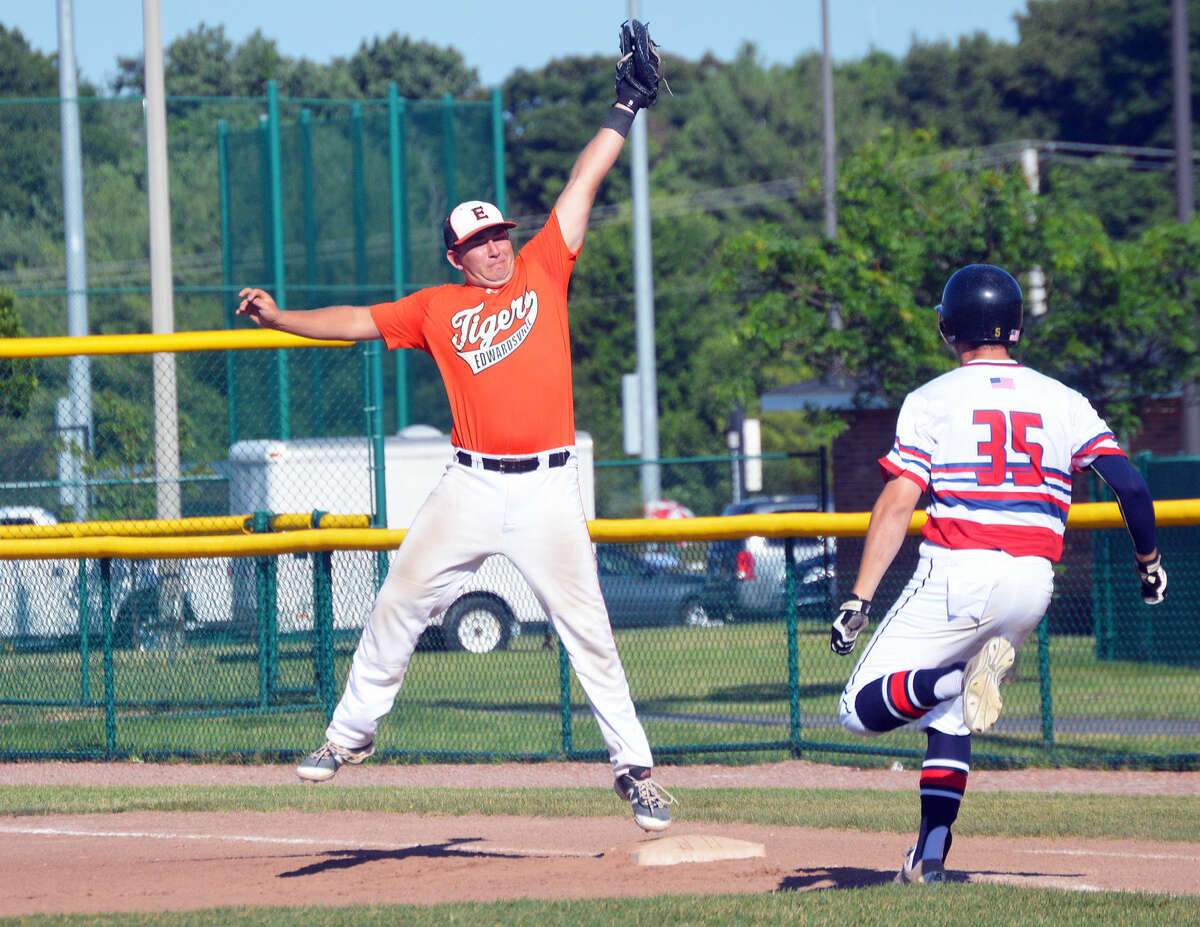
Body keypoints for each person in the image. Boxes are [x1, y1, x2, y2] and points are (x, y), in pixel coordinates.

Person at [235, 21, 675, 832]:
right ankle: (348, 736)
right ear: (456, 257)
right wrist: (281, 317)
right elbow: (353, 321)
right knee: (399, 597)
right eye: (480, 240)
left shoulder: (546, 265)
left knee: (590, 633)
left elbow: (582, 181)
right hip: (470, 483)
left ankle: (636, 771)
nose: (498, 245)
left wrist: (623, 107)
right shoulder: (434, 308)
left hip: (546, 487)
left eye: (500, 231)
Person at [829, 264, 1167, 884]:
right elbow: (1131, 484)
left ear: (949, 325)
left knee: (858, 710)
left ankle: (952, 680)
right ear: (1014, 328)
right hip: (1033, 582)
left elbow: (898, 502)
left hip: (960, 570)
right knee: (951, 724)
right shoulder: (1063, 400)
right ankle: (928, 860)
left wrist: (858, 598)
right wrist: (1148, 562)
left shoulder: (931, 399)